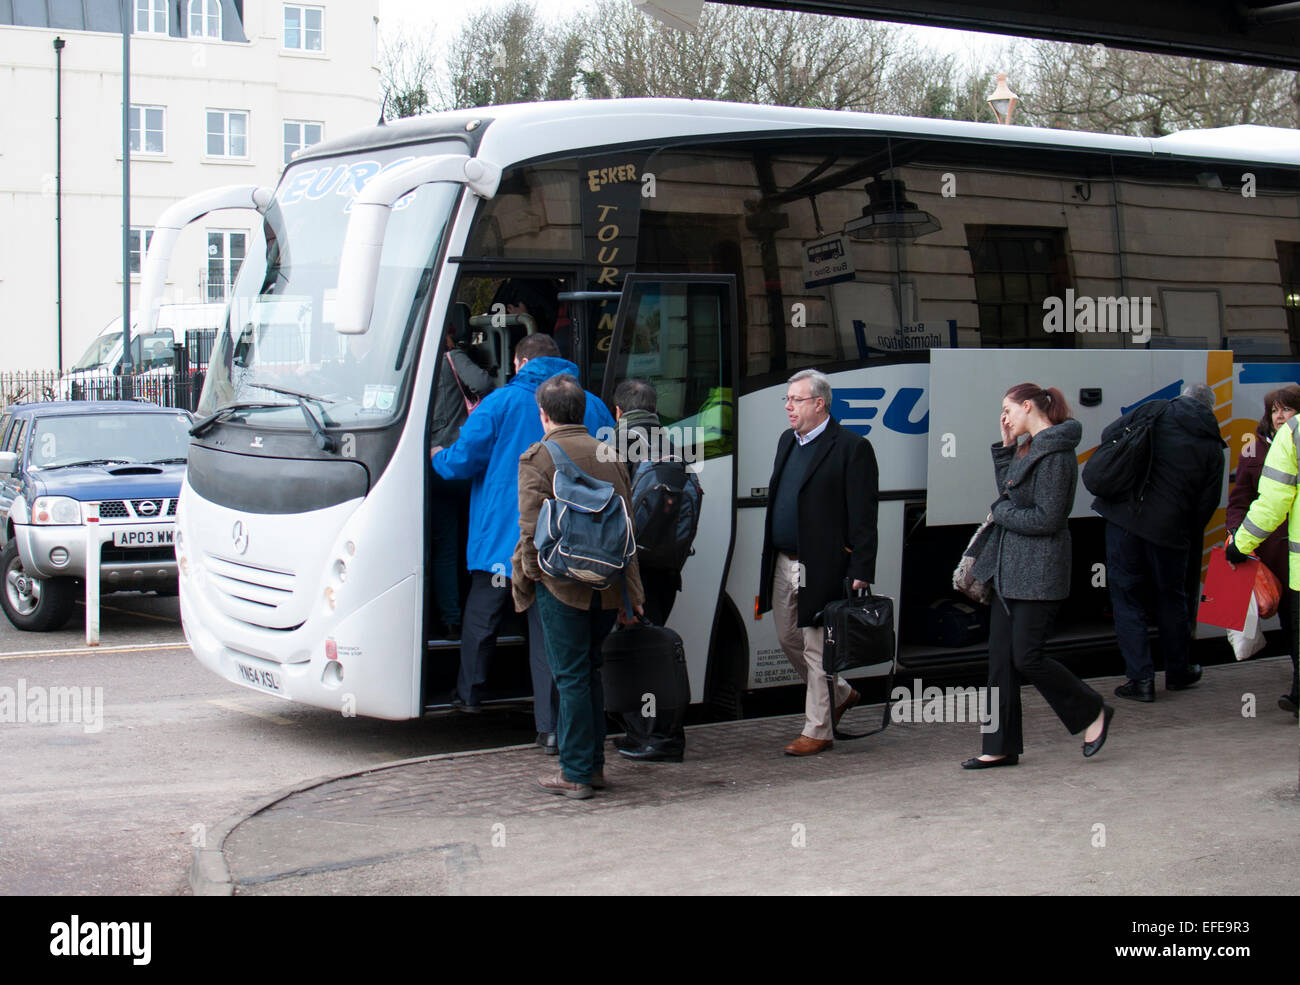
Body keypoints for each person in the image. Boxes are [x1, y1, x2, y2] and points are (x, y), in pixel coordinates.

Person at [432, 334, 615, 753]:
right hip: (566, 541)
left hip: (502, 538)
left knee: (482, 616)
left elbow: (461, 462)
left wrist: (435, 456)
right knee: (549, 634)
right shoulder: (593, 403)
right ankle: (550, 728)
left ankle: (470, 694)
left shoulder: (500, 402)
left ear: (519, 362)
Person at [963, 384, 1112, 768]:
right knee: (1000, 661)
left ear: (1027, 405)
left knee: (1028, 657)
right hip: (1008, 570)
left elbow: (1047, 518)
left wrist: (1002, 512)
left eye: (1007, 410)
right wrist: (1006, 445)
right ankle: (999, 746)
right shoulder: (1030, 446)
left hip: (1039, 571)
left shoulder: (1057, 454)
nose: (1004, 417)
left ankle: (1091, 710)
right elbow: (1010, 493)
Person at [513, 374, 645, 799]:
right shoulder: (610, 452)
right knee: (589, 672)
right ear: (583, 412)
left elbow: (529, 531)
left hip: (561, 585)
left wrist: (529, 577)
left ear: (544, 414)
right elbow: (627, 527)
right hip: (606, 584)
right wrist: (632, 593)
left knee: (569, 677)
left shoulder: (538, 457)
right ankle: (594, 767)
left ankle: (574, 772)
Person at [757, 369, 879, 756]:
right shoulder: (786, 442)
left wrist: (860, 568)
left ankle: (818, 729)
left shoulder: (851, 447)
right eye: (788, 400)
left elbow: (863, 516)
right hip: (782, 561)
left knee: (815, 647)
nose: (789, 406)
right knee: (788, 638)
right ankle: (840, 694)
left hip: (822, 563)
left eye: (796, 399)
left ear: (819, 404)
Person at [1092, 383, 1227, 702]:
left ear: (1183, 397)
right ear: (1209, 409)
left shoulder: (1155, 411)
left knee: (1127, 599)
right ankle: (1178, 671)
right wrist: (1185, 531)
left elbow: (1109, 435)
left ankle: (1140, 680)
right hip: (1172, 532)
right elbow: (1207, 502)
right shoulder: (1212, 444)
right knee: (1172, 598)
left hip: (1126, 519)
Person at [609, 379, 690, 763]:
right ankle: (649, 733)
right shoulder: (671, 443)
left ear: (619, 411)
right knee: (651, 648)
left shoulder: (620, 443)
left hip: (634, 569)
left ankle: (656, 737)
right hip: (667, 567)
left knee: (639, 653)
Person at [1225, 386, 1300, 718]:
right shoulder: (1254, 451)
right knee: (1289, 623)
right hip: (1270, 555)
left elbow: (1272, 503)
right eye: (1275, 411)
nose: (1281, 416)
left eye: (1287, 410)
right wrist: (1237, 535)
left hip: (1290, 555)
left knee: (1296, 625)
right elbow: (1241, 499)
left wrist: (1241, 544)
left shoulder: (1290, 442)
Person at [428, 306, 495, 639]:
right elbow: (484, 383)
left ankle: (450, 618)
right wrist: (455, 351)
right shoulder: (449, 360)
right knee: (474, 540)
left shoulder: (416, 365)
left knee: (444, 547)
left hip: (434, 469)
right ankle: (476, 613)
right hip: (463, 465)